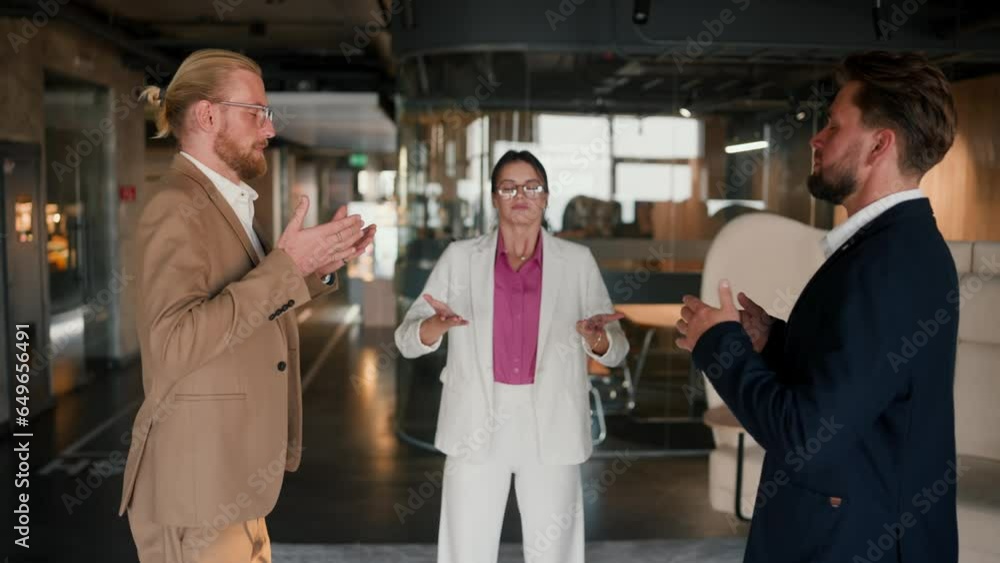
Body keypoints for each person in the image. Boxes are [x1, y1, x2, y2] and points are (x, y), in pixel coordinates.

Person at [676, 51, 960, 563]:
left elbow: (810, 438)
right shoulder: (888, 248)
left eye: (834, 124)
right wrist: (773, 339)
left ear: (879, 144)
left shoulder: (888, 262)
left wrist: (718, 346)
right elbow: (861, 379)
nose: (817, 137)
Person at [118, 49, 375, 562]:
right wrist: (284, 266)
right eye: (256, 112)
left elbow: (250, 310)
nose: (270, 129)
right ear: (209, 115)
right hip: (199, 489)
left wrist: (313, 266)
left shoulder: (224, 202)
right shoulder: (176, 207)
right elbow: (173, 345)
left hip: (230, 476)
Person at [394, 150, 629, 563]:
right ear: (494, 198)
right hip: (475, 419)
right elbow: (406, 340)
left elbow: (616, 350)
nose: (521, 194)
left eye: (532, 186)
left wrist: (597, 340)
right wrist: (436, 326)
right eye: (509, 187)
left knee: (554, 551)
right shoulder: (460, 258)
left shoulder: (576, 262)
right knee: (466, 549)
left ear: (546, 197)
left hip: (552, 421)